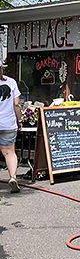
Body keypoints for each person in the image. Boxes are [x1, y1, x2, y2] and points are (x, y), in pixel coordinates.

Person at [0, 60, 22, 193]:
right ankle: (13, 177)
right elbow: (17, 104)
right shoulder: (11, 82)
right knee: (9, 152)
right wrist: (19, 120)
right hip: (8, 123)